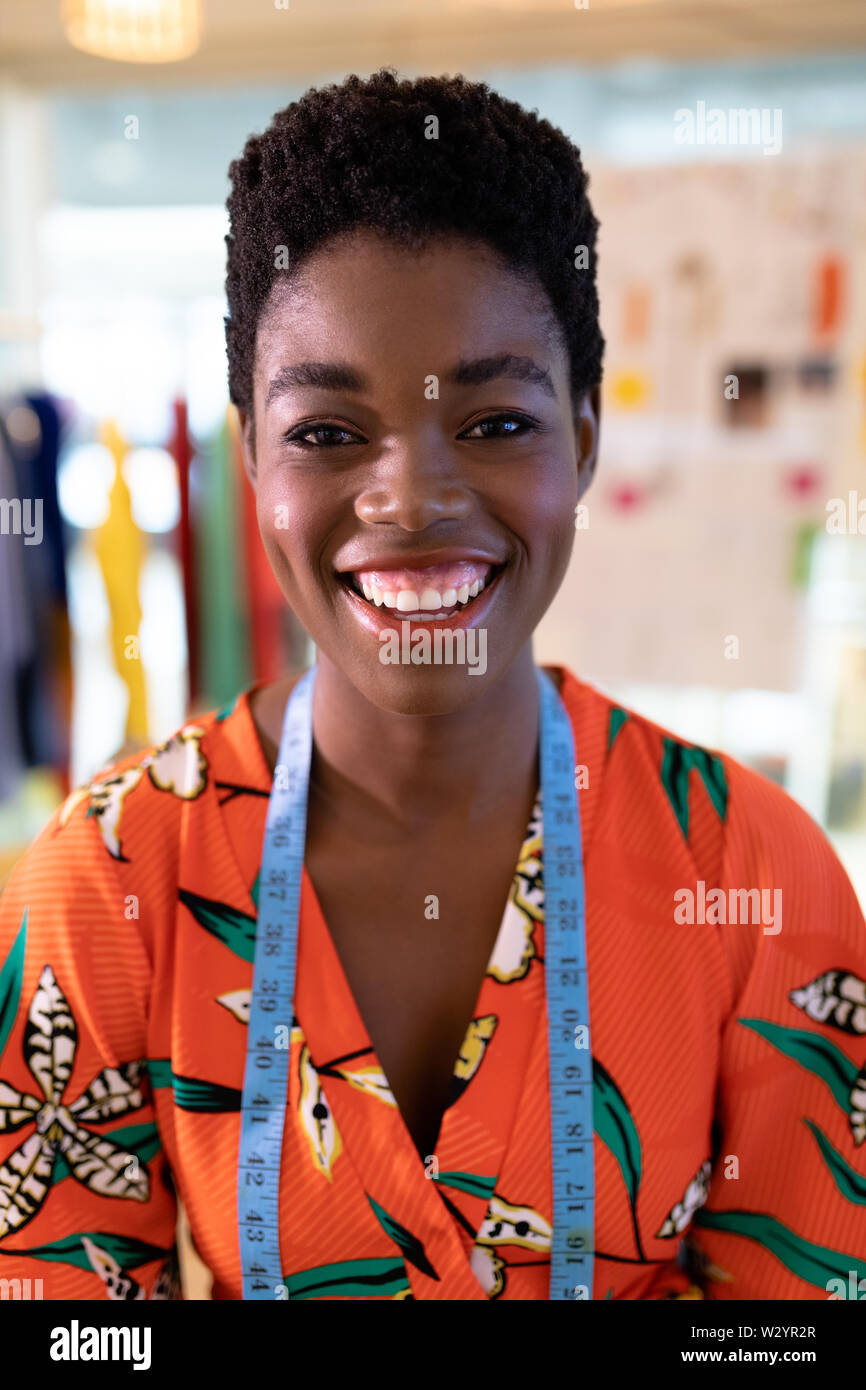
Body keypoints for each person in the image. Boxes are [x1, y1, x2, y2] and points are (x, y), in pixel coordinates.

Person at [1, 69, 864, 1302]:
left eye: (495, 423)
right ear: (250, 456)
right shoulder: (108, 882)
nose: (409, 498)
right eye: (327, 431)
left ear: (584, 432)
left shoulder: (750, 878)